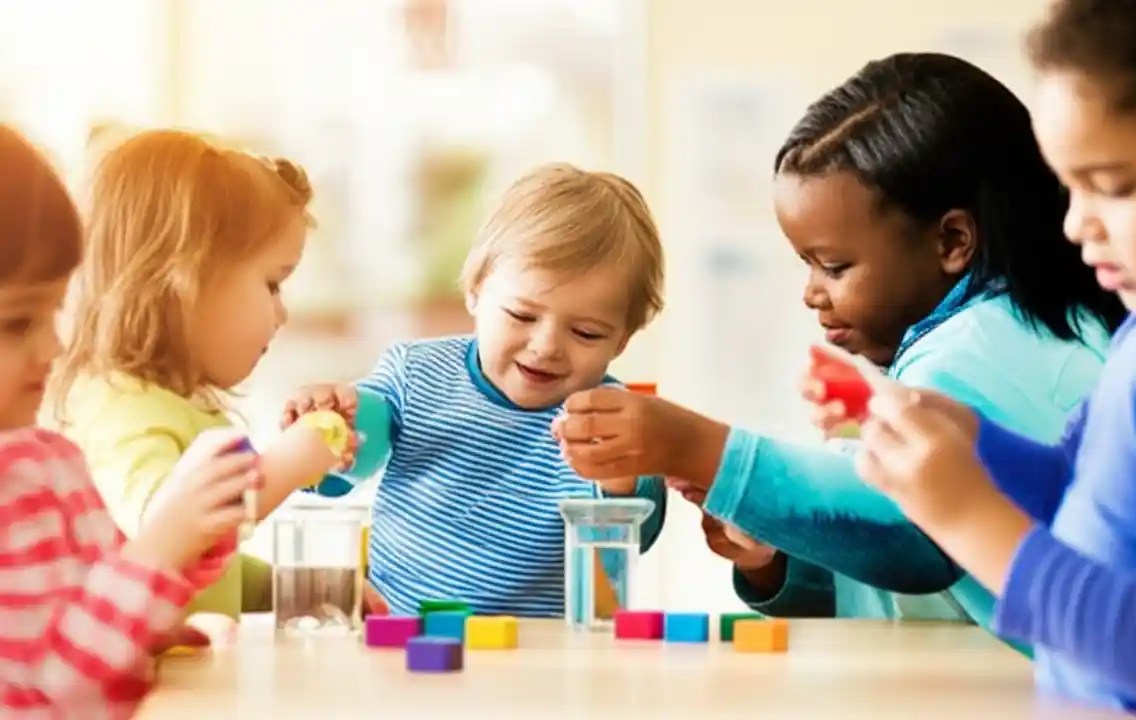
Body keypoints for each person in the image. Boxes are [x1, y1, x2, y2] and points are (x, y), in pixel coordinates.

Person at [554, 53, 1124, 637]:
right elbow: (912, 579)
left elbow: (915, 536)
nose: (811, 293)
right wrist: (777, 557)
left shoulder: (982, 350)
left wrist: (700, 449)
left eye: (833, 266)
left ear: (952, 241)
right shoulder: (1002, 339)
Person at [833, 2, 1136, 717]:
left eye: (1113, 186)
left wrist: (965, 512)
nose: (1075, 224)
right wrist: (970, 442)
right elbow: (1077, 495)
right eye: (1069, 187)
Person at [282, 163, 668, 617]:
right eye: (522, 316)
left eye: (586, 332)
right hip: (398, 632)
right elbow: (354, 451)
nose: (546, 346)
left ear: (621, 340)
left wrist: (622, 473)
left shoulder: (610, 418)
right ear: (475, 292)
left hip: (535, 649)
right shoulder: (415, 372)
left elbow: (634, 533)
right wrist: (333, 424)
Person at [49, 129, 362, 619]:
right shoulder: (117, 406)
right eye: (272, 284)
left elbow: (204, 572)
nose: (282, 314)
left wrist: (297, 589)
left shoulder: (174, 404)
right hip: (145, 669)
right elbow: (168, 530)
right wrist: (288, 463)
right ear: (185, 283)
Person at [0, 124, 256, 717]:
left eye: (53, 312)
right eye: (15, 323)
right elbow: (46, 699)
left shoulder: (48, 462)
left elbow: (100, 599)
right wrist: (161, 546)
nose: (53, 347)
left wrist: (152, 620)